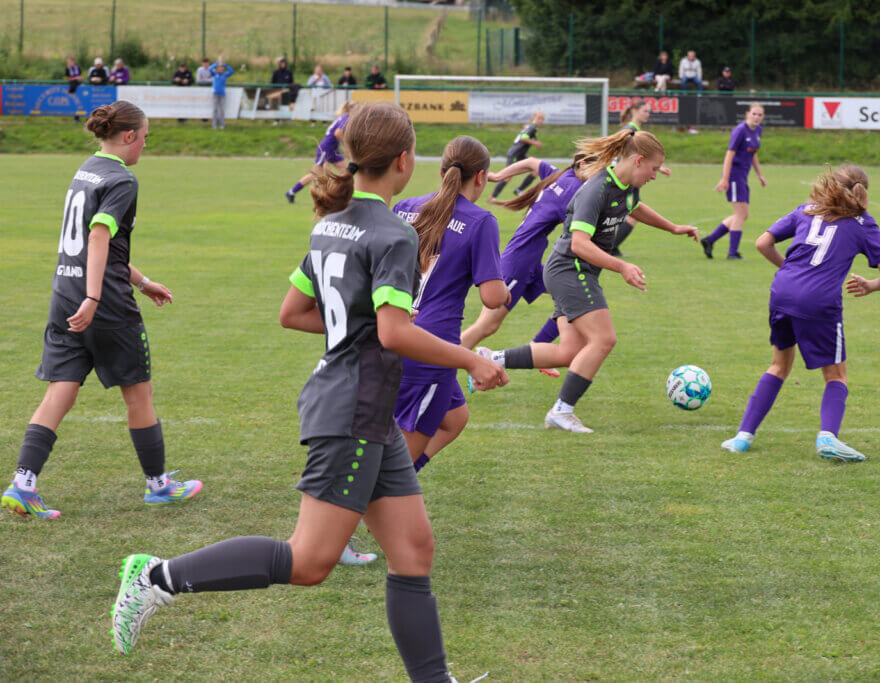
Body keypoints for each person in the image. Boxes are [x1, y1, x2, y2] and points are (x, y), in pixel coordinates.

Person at [109, 104, 508, 683]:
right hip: (353, 409)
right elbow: (394, 332)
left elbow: (293, 313)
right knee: (308, 561)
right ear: (403, 159)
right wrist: (472, 357)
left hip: (359, 407)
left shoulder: (331, 220)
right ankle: (155, 578)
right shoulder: (394, 232)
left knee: (413, 550)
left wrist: (356, 321)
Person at [1, 101, 201, 520]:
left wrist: (143, 283)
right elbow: (96, 238)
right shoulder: (123, 179)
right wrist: (94, 299)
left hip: (64, 292)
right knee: (138, 391)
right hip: (102, 303)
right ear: (129, 137)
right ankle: (159, 486)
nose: (145, 145)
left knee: (61, 389)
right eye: (145, 137)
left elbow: (101, 247)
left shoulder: (87, 169)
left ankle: (23, 483)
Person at [476, 129, 699, 433]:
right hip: (570, 268)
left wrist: (673, 228)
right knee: (604, 339)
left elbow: (634, 207)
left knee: (569, 353)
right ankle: (562, 410)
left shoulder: (627, 186)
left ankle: (492, 357)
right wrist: (621, 266)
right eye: (654, 169)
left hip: (575, 270)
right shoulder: (597, 189)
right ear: (638, 160)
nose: (656, 175)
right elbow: (579, 244)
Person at [720, 165, 880, 462]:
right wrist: (870, 286)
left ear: (830, 184)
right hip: (819, 301)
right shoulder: (864, 223)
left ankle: (742, 437)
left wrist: (790, 272)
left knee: (778, 366)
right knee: (836, 374)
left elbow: (763, 243)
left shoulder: (806, 209)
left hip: (782, 293)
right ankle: (828, 437)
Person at [391, 137, 507, 473]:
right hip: (430, 351)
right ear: (482, 178)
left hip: (390, 333)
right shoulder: (480, 221)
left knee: (455, 418)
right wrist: (504, 288)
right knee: (392, 468)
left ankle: (397, 488)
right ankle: (384, 497)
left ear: (442, 171)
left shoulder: (405, 207)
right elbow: (492, 297)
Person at [461, 153, 591, 358]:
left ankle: (538, 349)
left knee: (576, 295)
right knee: (485, 327)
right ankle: (436, 366)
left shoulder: (560, 176)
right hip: (518, 264)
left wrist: (498, 175)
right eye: (598, 171)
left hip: (529, 262)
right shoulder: (573, 189)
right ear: (582, 165)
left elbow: (531, 163)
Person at [701, 102, 766, 261]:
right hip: (734, 176)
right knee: (740, 214)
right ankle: (732, 253)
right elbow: (729, 155)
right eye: (754, 114)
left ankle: (710, 240)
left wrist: (759, 174)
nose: (756, 117)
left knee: (743, 215)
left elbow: (753, 153)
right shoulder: (740, 131)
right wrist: (725, 179)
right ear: (747, 114)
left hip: (743, 177)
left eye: (760, 115)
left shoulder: (758, 130)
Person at [611, 99, 671, 257]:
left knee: (631, 211)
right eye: (645, 111)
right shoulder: (631, 129)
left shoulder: (634, 129)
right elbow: (620, 152)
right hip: (631, 175)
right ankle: (610, 247)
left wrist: (658, 168)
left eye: (649, 111)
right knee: (632, 212)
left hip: (633, 173)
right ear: (635, 111)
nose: (648, 114)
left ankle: (611, 246)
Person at [286, 101, 357, 203]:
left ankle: (344, 195)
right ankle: (291, 192)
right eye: (357, 109)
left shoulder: (346, 118)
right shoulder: (347, 118)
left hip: (332, 149)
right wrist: (346, 145)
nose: (359, 111)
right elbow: (338, 133)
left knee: (346, 171)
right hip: (326, 148)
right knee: (315, 174)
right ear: (350, 110)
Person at [488, 111, 545, 202]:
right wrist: (535, 143)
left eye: (542, 119)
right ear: (534, 118)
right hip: (515, 154)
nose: (541, 121)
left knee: (536, 169)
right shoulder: (532, 127)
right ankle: (492, 197)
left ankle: (519, 190)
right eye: (539, 118)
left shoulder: (531, 127)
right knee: (507, 176)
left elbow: (526, 132)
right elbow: (523, 138)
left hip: (520, 155)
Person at [210, 59, 234, 129]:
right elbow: (210, 69)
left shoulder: (225, 75)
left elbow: (232, 71)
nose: (220, 69)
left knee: (221, 110)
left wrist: (225, 65)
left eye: (221, 68)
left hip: (222, 94)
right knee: (215, 109)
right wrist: (216, 63)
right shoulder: (215, 74)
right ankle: (214, 124)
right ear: (217, 69)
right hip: (215, 94)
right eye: (219, 68)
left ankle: (222, 124)